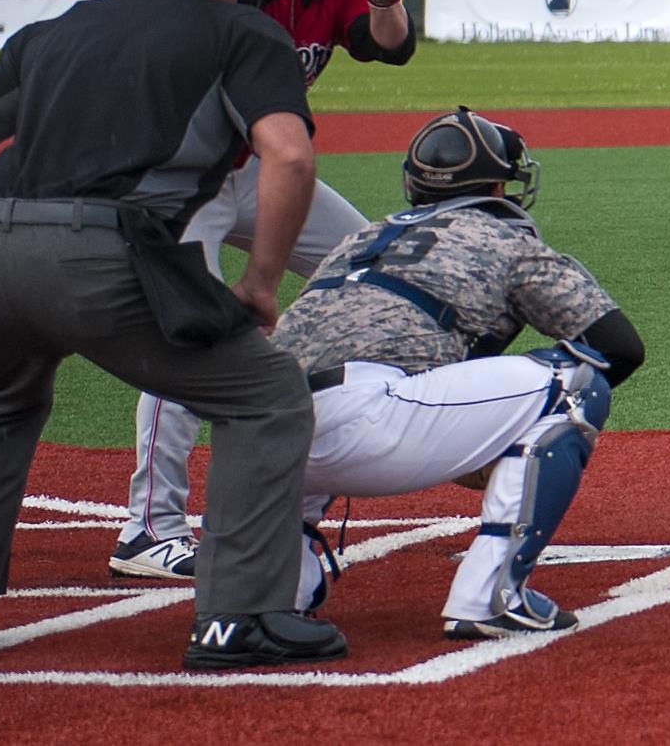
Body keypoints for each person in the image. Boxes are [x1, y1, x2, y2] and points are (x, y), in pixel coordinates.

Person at [0, 0, 346, 669]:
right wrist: (263, 281)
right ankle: (236, 617)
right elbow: (291, 157)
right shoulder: (245, 30)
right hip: (100, 252)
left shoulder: (62, 26)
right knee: (265, 394)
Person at [112, 0, 418, 582]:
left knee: (374, 264)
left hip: (267, 174)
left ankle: (365, 426)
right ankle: (145, 528)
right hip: (188, 178)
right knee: (184, 333)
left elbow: (394, 47)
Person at [270, 108, 646, 637]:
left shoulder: (359, 239)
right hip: (372, 426)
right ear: (496, 183)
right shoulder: (504, 238)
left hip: (261, 436)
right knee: (576, 384)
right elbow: (619, 347)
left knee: (319, 391)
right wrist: (499, 440)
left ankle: (279, 591)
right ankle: (490, 595)